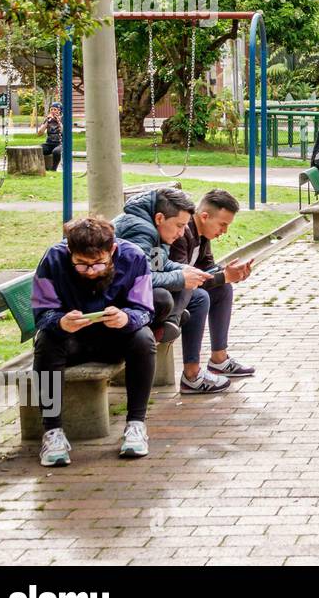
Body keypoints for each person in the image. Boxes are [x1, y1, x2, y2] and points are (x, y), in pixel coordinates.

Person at [32, 215, 157, 466]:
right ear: (69, 251)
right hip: (72, 340)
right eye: (81, 264)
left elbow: (144, 309)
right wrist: (59, 321)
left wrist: (126, 318)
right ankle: (52, 432)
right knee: (46, 340)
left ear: (112, 249)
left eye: (98, 263)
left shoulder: (134, 257)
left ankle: (135, 425)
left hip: (115, 339)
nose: (90, 271)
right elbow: (43, 311)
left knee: (144, 339)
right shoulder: (53, 259)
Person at [114, 188, 230, 394]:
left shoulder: (154, 231)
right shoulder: (56, 262)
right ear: (159, 218)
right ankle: (50, 421)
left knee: (189, 289)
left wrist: (184, 271)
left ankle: (135, 422)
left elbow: (159, 265)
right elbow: (140, 278)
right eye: (179, 225)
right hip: (77, 323)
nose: (182, 232)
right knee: (47, 354)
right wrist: (182, 276)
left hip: (72, 323)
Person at [167, 190, 257, 380]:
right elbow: (182, 279)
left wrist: (231, 273)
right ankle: (191, 374)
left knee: (223, 289)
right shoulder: (181, 232)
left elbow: (208, 269)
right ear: (205, 216)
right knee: (201, 297)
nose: (224, 231)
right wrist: (224, 275)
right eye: (222, 224)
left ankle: (219, 358)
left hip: (183, 289)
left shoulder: (203, 235)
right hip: (168, 293)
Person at [37, 101, 64, 172]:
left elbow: (65, 132)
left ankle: (53, 169)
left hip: (60, 144)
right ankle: (41, 168)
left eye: (55, 109)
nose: (53, 111)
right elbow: (39, 133)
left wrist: (58, 120)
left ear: (60, 111)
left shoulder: (64, 119)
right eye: (51, 109)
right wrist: (47, 122)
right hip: (49, 143)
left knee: (56, 152)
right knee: (37, 149)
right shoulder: (48, 119)